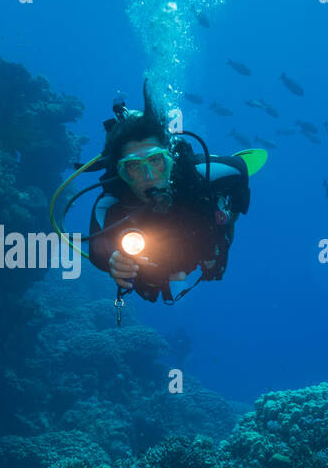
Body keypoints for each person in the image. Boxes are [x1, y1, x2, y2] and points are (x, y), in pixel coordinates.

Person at [89, 80, 250, 302]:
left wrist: (228, 225)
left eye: (156, 161)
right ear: (120, 172)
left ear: (171, 158)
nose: (149, 176)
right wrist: (113, 261)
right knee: (149, 286)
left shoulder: (197, 173)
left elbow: (240, 170)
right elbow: (96, 249)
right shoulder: (112, 198)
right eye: (134, 166)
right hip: (154, 271)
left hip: (201, 247)